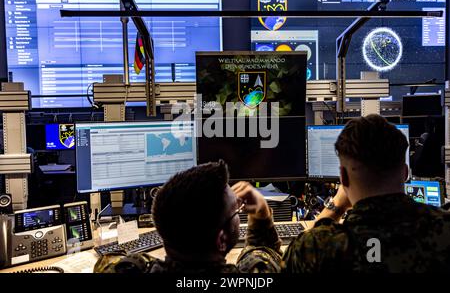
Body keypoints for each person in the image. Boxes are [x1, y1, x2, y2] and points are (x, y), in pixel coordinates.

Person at [283, 114, 450, 272]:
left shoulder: (318, 247)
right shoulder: (445, 229)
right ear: (405, 173)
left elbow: (290, 261)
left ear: (343, 178)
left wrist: (336, 206)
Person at [94, 160, 282, 273]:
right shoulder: (258, 271)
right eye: (237, 210)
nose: (239, 211)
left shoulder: (128, 269)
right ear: (221, 240)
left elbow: (108, 262)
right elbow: (263, 254)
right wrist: (261, 214)